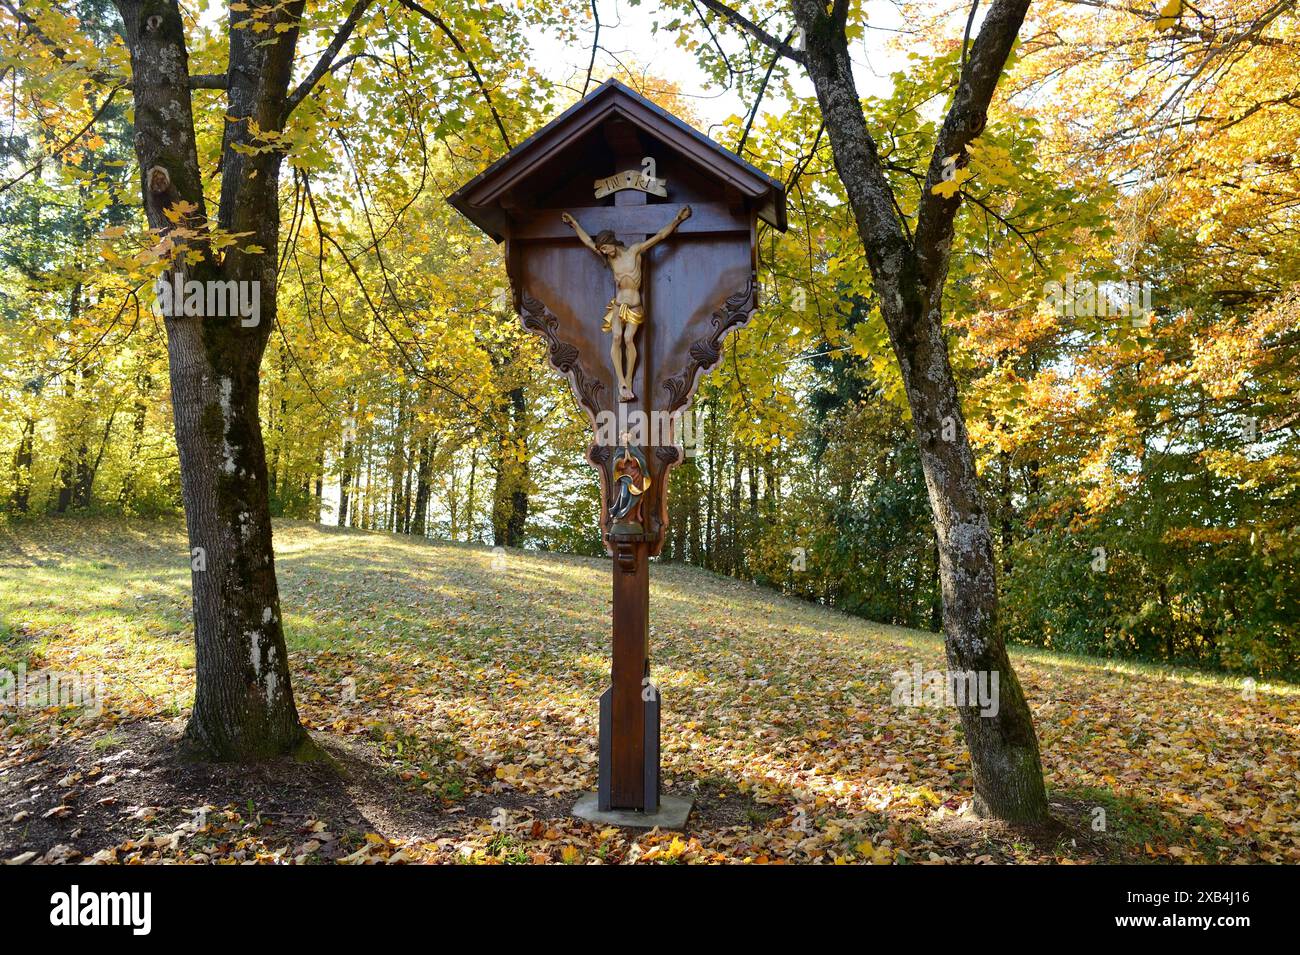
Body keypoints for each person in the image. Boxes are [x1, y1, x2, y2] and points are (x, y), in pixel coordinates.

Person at [561, 205, 692, 401]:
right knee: (616, 337)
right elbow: (588, 242)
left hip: (635, 306)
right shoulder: (610, 260)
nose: (604, 252)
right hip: (619, 305)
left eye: (605, 248)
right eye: (602, 250)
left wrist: (677, 220)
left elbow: (660, 236)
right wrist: (574, 223)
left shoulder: (634, 251)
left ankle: (629, 380)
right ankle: (621, 382)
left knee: (629, 339)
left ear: (611, 242)